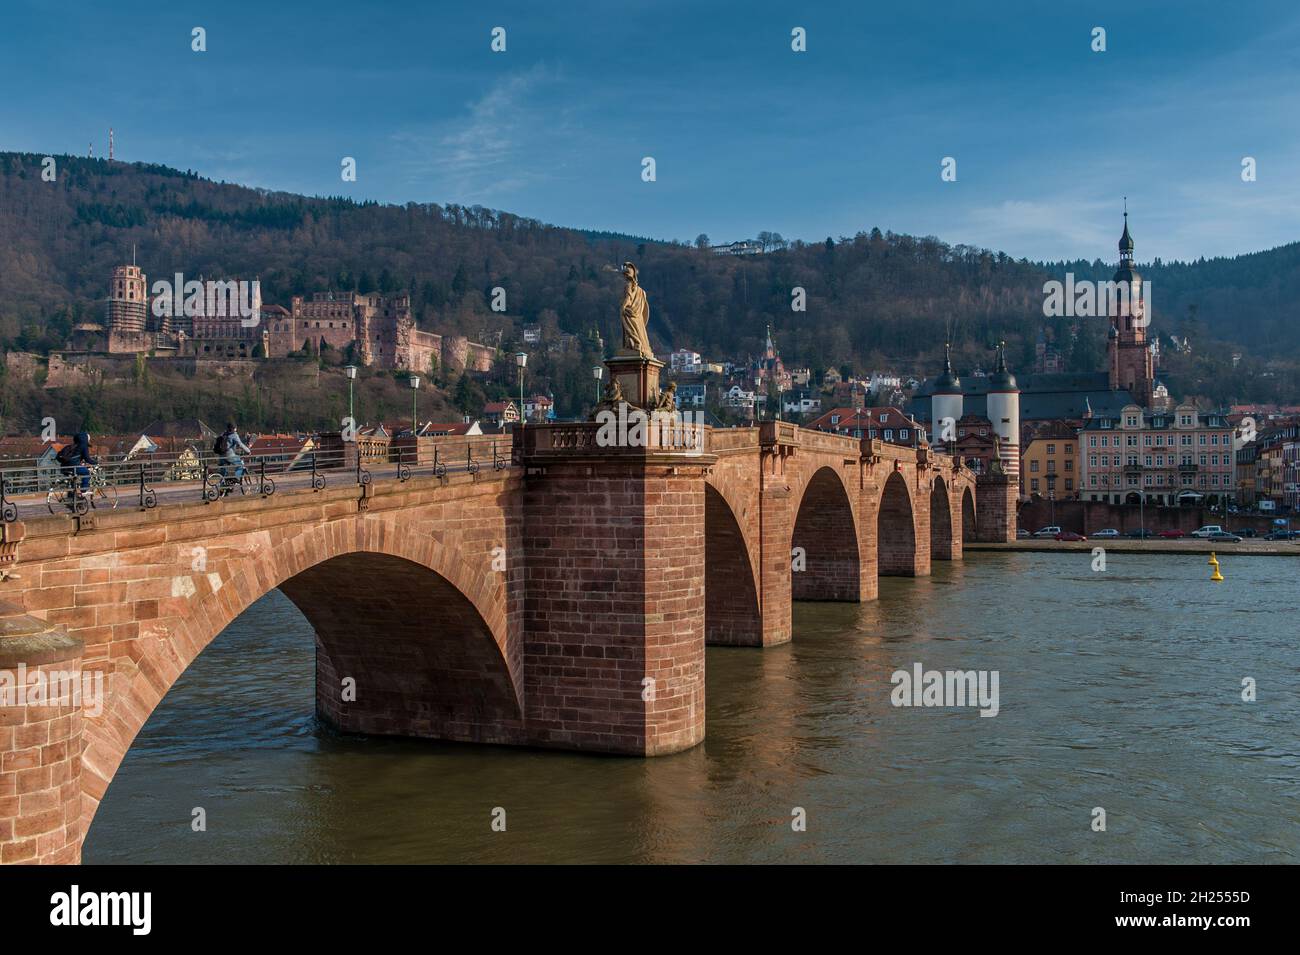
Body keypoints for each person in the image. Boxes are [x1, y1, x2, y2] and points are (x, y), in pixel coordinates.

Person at [55, 429, 97, 501]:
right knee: (86, 472)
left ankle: (72, 499)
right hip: (73, 467)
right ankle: (83, 491)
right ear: (86, 439)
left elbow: (76, 456)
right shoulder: (83, 446)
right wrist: (96, 462)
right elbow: (87, 459)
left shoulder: (74, 445)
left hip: (64, 467)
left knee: (73, 481)